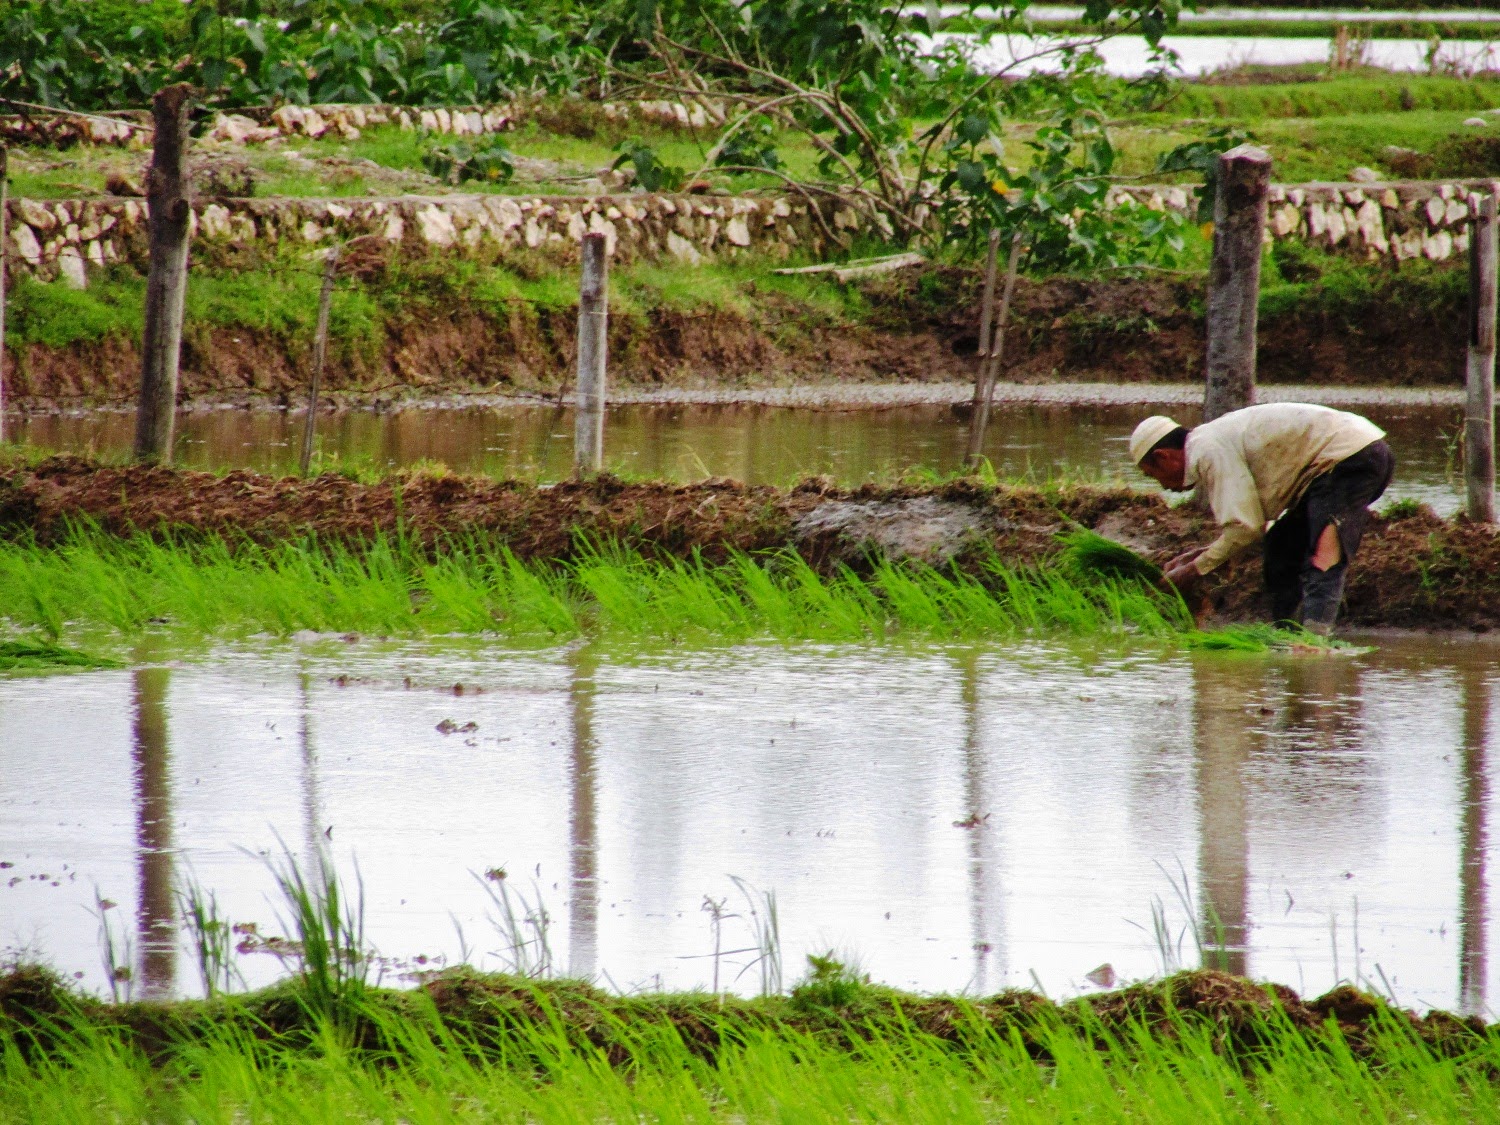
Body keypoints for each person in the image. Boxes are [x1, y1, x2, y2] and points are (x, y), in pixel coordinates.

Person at [1129, 402, 1395, 634]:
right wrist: (1203, 555)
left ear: (1162, 457)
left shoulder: (1207, 450)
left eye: (1154, 475)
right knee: (1280, 546)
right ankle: (1286, 635)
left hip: (1349, 458)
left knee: (1324, 555)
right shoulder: (1209, 441)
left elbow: (1244, 529)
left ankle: (1313, 645)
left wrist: (1194, 569)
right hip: (1341, 462)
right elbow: (1253, 526)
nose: (1163, 486)